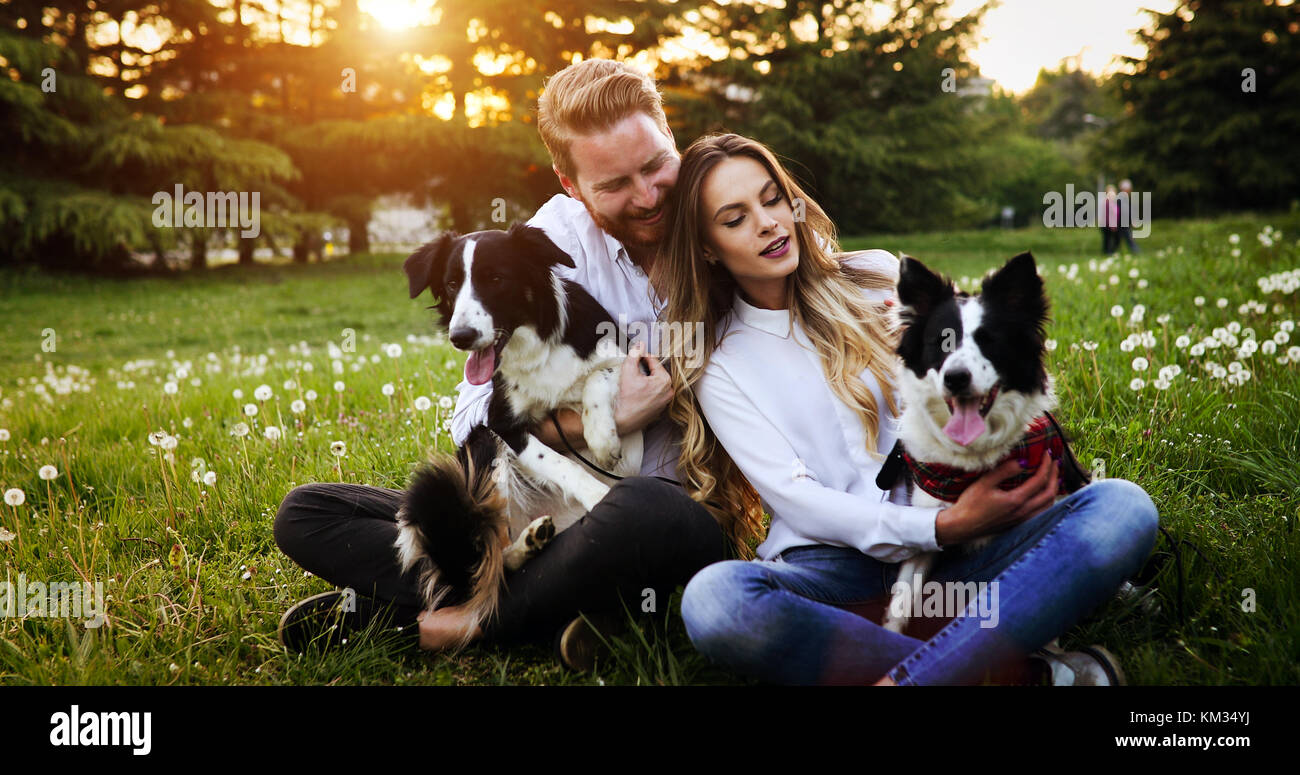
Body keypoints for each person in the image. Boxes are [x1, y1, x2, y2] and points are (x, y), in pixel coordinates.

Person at [273, 60, 756, 668]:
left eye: (656, 163)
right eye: (613, 185)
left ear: (669, 135)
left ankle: (441, 624)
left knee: (649, 511)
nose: (648, 194)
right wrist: (606, 416)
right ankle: (558, 610)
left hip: (656, 517)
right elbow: (476, 416)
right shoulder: (547, 244)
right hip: (536, 515)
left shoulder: (730, 217)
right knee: (309, 512)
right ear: (570, 183)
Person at [650, 133, 1160, 685]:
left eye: (773, 199)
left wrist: (968, 510)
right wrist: (938, 526)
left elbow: (961, 366)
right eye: (735, 218)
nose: (769, 223)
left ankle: (920, 672)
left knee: (1123, 508)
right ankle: (1014, 673)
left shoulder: (873, 277)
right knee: (716, 602)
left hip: (962, 553)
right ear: (706, 247)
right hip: (839, 573)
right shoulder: (719, 361)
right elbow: (799, 499)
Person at [1117, 179, 1141, 254]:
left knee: (1122, 240)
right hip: (1122, 224)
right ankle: (1136, 251)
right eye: (1129, 189)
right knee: (1129, 239)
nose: (1130, 191)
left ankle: (1112, 252)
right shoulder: (1120, 199)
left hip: (1124, 223)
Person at [1101, 184, 1119, 256]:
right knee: (1108, 239)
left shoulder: (1114, 203)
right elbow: (1108, 215)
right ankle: (1108, 253)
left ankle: (1109, 252)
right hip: (1108, 225)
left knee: (1111, 239)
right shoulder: (1107, 203)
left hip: (1111, 224)